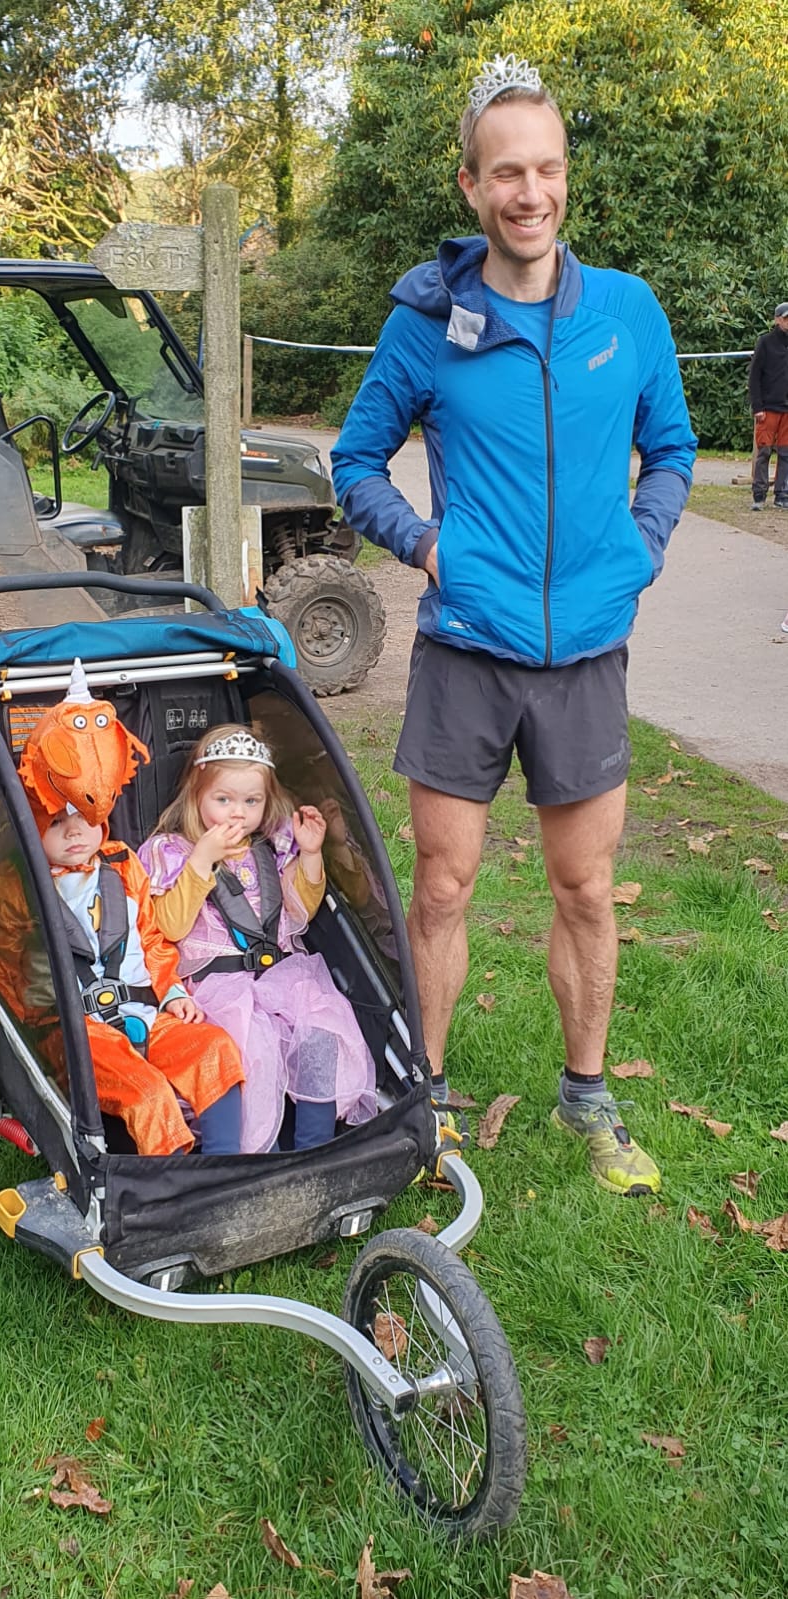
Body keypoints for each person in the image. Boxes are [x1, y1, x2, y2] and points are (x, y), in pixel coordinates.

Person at [330, 53, 697, 1196]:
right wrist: (425, 545)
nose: (526, 193)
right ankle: (425, 1101)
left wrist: (638, 549)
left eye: (544, 170)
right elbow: (353, 461)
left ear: (564, 177)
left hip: (583, 655)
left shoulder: (627, 313)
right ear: (470, 186)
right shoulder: (426, 323)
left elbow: (671, 448)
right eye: (503, 173)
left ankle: (586, 1095)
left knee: (583, 888)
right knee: (441, 887)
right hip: (465, 654)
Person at [0, 661, 245, 1157]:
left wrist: (171, 993)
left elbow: (152, 940)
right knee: (148, 1092)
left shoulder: (121, 866)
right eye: (57, 823)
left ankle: (226, 1165)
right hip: (75, 1030)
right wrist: (34, 1027)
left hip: (143, 1008)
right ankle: (171, 1187)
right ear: (33, 826)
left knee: (215, 1050)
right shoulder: (20, 884)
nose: (75, 833)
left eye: (85, 819)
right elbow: (1, 960)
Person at [139, 725, 377, 1154]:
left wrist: (309, 853)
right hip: (217, 987)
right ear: (196, 795)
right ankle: (256, 1155)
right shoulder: (172, 851)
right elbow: (168, 926)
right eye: (223, 800)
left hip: (282, 977)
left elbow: (300, 912)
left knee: (322, 1029)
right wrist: (202, 860)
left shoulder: (269, 847)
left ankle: (314, 1149)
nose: (238, 813)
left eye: (252, 802)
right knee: (250, 1049)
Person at [748, 303, 788, 512]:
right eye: (786, 318)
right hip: (768, 408)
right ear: (777, 320)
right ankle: (759, 495)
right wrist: (757, 406)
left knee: (786, 453)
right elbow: (754, 376)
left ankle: (782, 494)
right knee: (763, 452)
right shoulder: (765, 342)